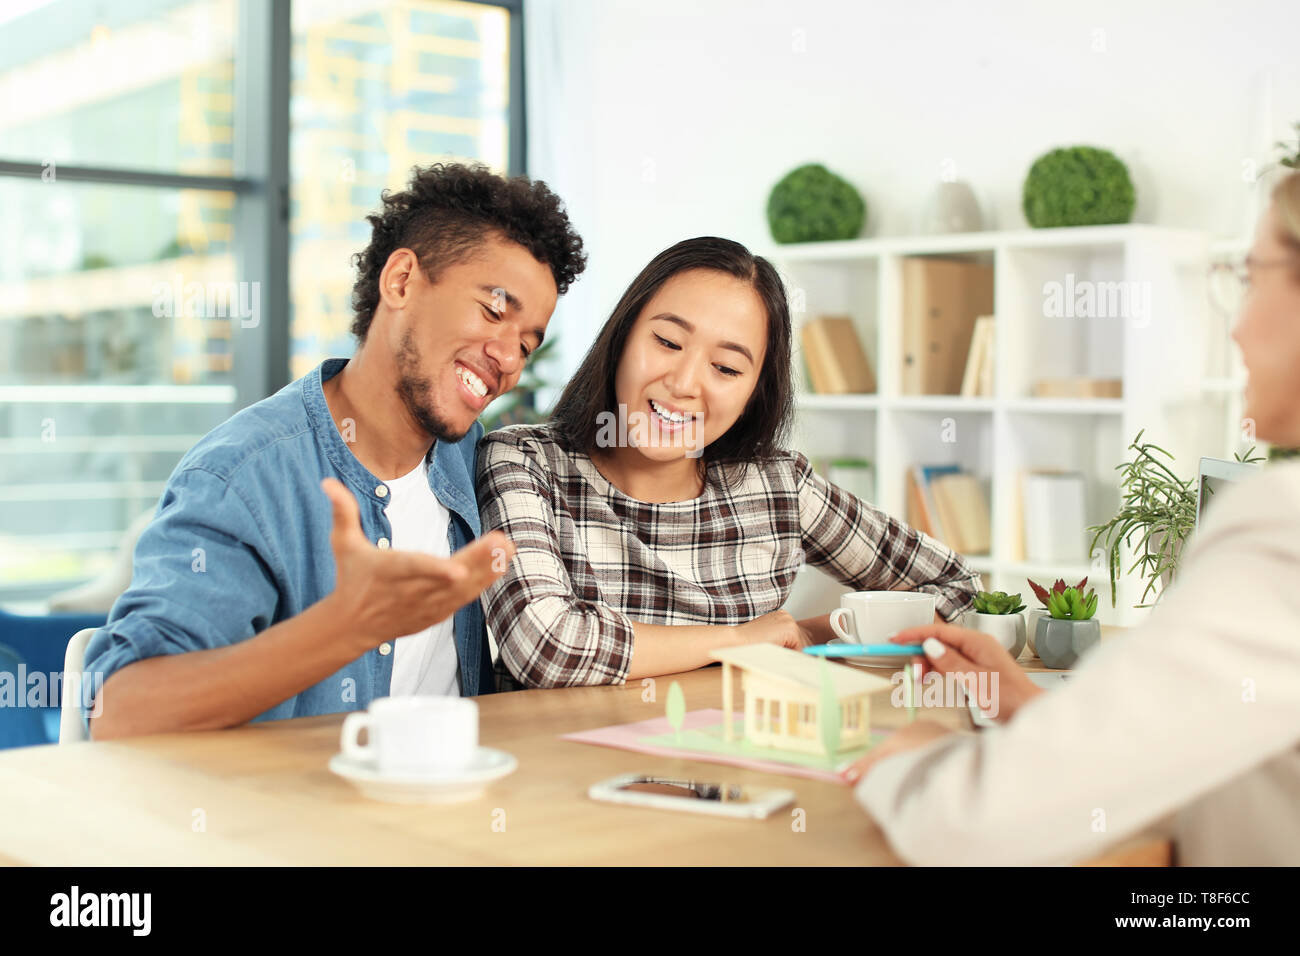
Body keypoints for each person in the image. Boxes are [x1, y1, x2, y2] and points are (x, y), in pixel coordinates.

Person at [847, 170, 1300, 866]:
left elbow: (971, 826)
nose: (1235, 323)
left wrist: (917, 761)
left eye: (1251, 276)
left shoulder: (1283, 523)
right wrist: (1045, 717)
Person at [85, 163, 587, 739]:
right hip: (296, 819)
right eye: (494, 311)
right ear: (400, 282)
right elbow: (119, 710)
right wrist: (343, 628)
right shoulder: (245, 477)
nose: (508, 358)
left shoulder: (472, 460)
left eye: (527, 343)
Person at [477, 236, 980, 690]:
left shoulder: (778, 485)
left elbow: (956, 588)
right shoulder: (525, 462)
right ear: (623, 337)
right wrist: (739, 641)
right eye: (668, 342)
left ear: (752, 394)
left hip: (740, 773)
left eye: (726, 367)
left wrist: (810, 633)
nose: (684, 383)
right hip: (567, 777)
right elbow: (542, 645)